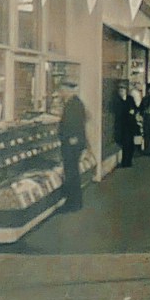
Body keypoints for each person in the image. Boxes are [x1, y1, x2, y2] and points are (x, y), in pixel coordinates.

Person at [55, 86, 88, 214]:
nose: (61, 93)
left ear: (67, 91)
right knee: (73, 172)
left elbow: (73, 124)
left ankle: (72, 203)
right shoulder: (77, 103)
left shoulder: (72, 104)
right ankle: (75, 202)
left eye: (62, 91)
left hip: (71, 144)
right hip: (74, 143)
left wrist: (71, 138)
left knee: (71, 173)